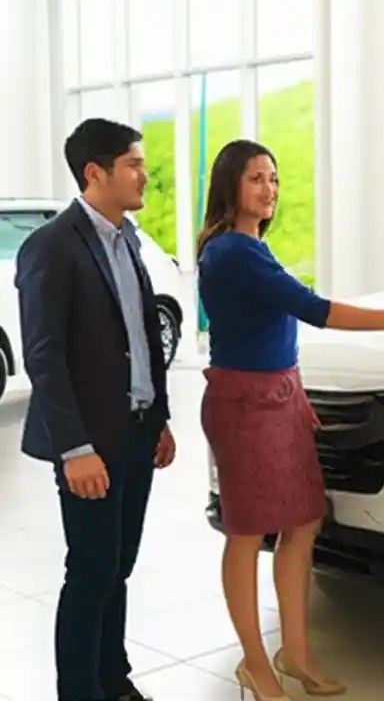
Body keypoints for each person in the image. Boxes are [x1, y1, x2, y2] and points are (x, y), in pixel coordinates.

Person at [196, 139, 384, 701]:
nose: (269, 189)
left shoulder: (252, 247)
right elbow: (317, 311)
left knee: (304, 521)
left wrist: (292, 392)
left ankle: (296, 652)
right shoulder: (232, 251)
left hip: (278, 398)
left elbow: (272, 334)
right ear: (229, 185)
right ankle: (256, 664)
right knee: (247, 532)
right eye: (256, 178)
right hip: (245, 407)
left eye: (273, 178)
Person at [16, 118, 176, 701]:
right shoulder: (52, 246)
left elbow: (144, 335)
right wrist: (74, 449)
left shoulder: (127, 237)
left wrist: (159, 417)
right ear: (95, 172)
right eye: (134, 164)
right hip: (89, 442)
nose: (144, 175)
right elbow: (44, 356)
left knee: (119, 566)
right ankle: (80, 691)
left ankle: (115, 678)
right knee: (90, 570)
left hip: (137, 430)